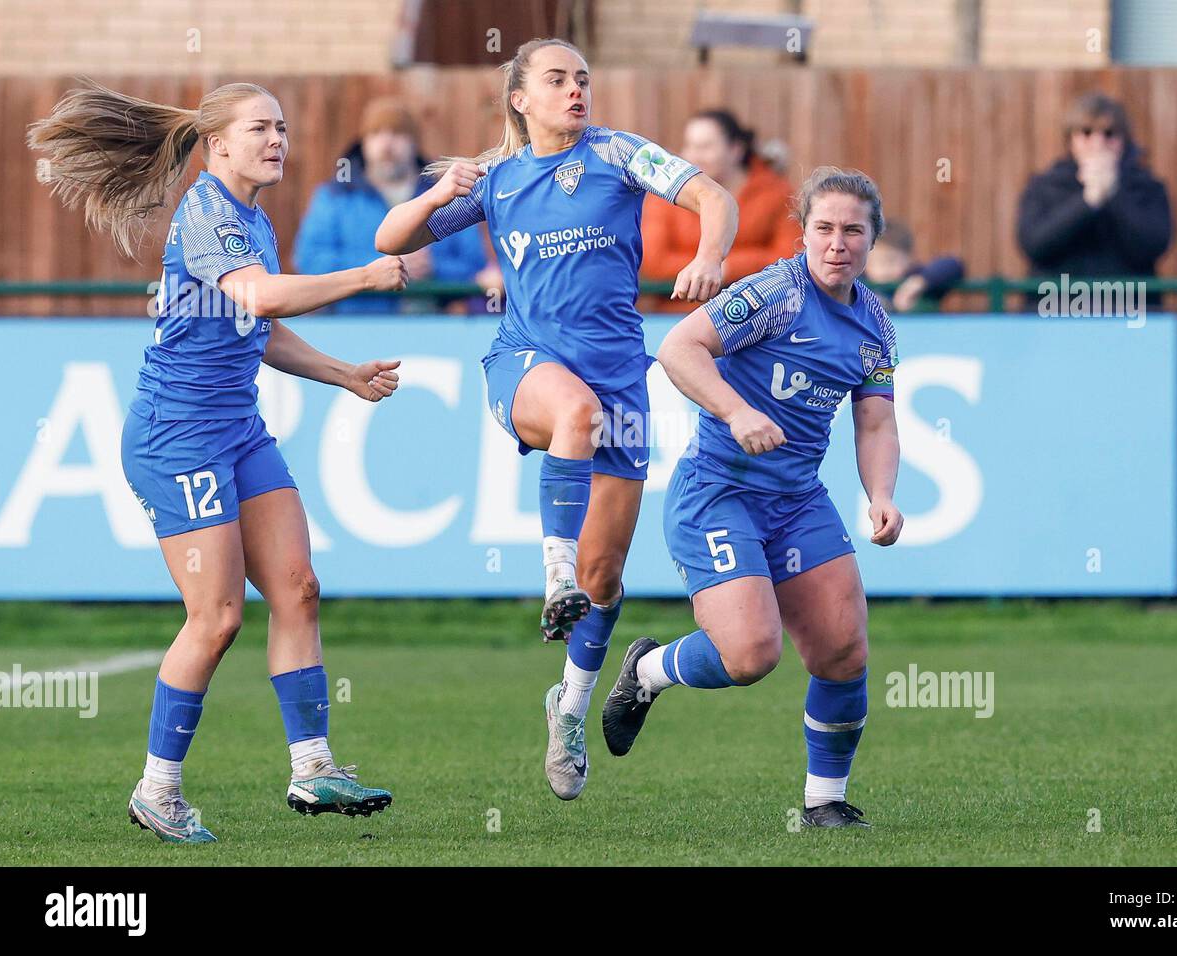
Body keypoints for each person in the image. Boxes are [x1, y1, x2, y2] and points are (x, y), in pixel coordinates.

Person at [28, 80, 406, 843]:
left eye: (283, 127)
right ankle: (157, 791)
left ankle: (314, 770)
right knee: (219, 616)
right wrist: (365, 276)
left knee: (298, 587)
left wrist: (343, 373)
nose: (277, 140)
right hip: (177, 437)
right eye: (260, 127)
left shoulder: (253, 219)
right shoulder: (206, 213)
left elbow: (256, 327)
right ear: (219, 144)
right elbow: (262, 299)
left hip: (237, 430)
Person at [375, 37, 738, 801]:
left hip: (623, 388)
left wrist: (709, 254)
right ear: (521, 98)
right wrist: (438, 195)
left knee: (606, 581)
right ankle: (552, 576)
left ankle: (569, 704)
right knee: (573, 416)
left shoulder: (620, 154)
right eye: (557, 80)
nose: (576, 91)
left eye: (582, 79)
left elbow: (714, 197)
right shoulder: (496, 178)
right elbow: (392, 240)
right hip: (526, 364)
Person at [601, 167, 902, 829]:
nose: (837, 243)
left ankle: (825, 801)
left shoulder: (874, 324)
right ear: (803, 234)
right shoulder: (776, 292)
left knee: (844, 651)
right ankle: (648, 670)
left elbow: (876, 419)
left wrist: (881, 494)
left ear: (871, 240)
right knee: (751, 655)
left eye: (853, 230)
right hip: (718, 492)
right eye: (823, 228)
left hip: (797, 499)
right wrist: (738, 412)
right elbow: (680, 348)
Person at [293, 96, 501, 314]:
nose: (386, 144)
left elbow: (475, 265)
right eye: (375, 134)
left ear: (414, 142)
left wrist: (434, 267)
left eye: (397, 133)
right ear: (363, 143)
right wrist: (382, 266)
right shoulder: (335, 197)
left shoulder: (447, 193)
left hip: (435, 331)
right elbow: (310, 261)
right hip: (355, 327)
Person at [1016, 92, 1172, 307]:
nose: (1098, 143)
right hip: (1055, 313)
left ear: (1123, 140)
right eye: (1087, 133)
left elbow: (1152, 245)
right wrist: (1087, 202)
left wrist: (1113, 195)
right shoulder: (1045, 186)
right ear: (1070, 140)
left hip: (1130, 315)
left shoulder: (1146, 188)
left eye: (1109, 134)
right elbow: (1035, 244)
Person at [640, 109, 797, 312]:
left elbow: (790, 256)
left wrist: (725, 266)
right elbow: (652, 261)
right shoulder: (666, 193)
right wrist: (707, 265)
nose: (694, 155)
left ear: (735, 149)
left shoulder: (776, 192)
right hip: (682, 313)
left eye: (705, 147)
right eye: (689, 145)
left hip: (759, 311)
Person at [864, 219, 964, 312]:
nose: (884, 270)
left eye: (892, 261)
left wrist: (919, 283)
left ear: (908, 260)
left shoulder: (919, 278)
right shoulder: (859, 284)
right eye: (876, 262)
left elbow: (953, 264)